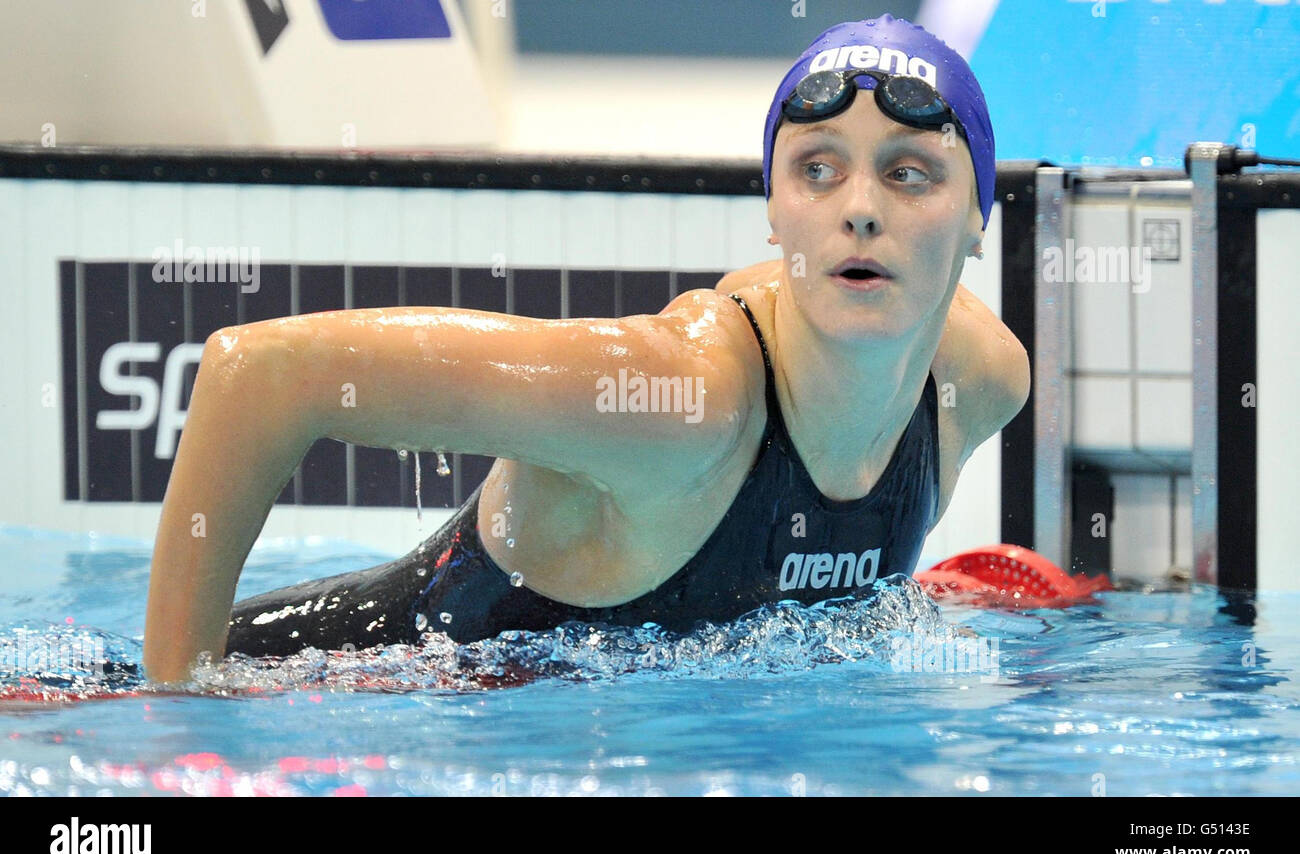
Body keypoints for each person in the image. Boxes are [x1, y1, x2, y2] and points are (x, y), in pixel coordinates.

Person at [143, 15, 1029, 683]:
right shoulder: (682, 398)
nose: (861, 207)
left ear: (978, 217)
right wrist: (174, 711)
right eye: (818, 168)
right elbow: (256, 375)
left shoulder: (982, 381)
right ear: (774, 211)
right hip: (349, 688)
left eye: (910, 172)